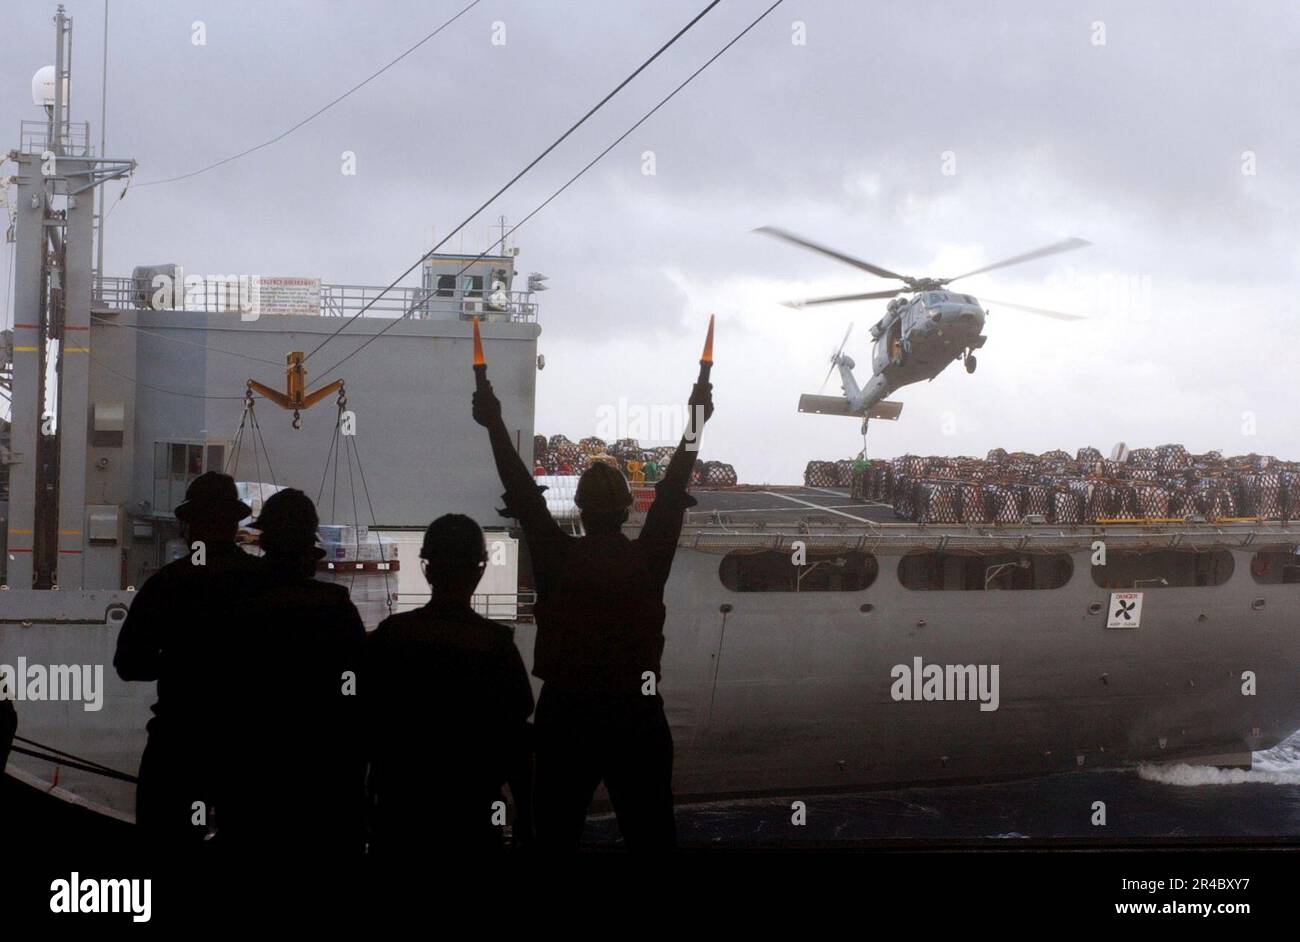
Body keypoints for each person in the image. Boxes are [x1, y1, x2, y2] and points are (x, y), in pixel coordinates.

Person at [472, 375, 713, 851]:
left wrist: (494, 423)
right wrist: (696, 419)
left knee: (553, 836)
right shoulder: (647, 560)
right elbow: (672, 489)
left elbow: (520, 489)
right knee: (652, 836)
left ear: (579, 509)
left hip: (567, 710)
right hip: (637, 712)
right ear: (627, 510)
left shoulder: (556, 558)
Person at [365, 514, 534, 855]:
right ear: (480, 569)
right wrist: (527, 816)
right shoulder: (497, 645)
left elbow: (361, 722)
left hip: (400, 812)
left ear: (427, 568)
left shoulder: (391, 636)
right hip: (473, 813)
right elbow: (515, 740)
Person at [114, 471, 264, 850]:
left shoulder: (166, 584)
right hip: (249, 749)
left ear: (189, 526)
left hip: (179, 747)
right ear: (234, 524)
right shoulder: (264, 582)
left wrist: (181, 662)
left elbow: (129, 664)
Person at [216, 489, 367, 860]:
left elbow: (219, 696)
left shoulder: (236, 608)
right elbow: (357, 697)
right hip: (323, 785)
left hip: (252, 783)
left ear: (264, 546)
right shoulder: (335, 608)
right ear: (309, 555)